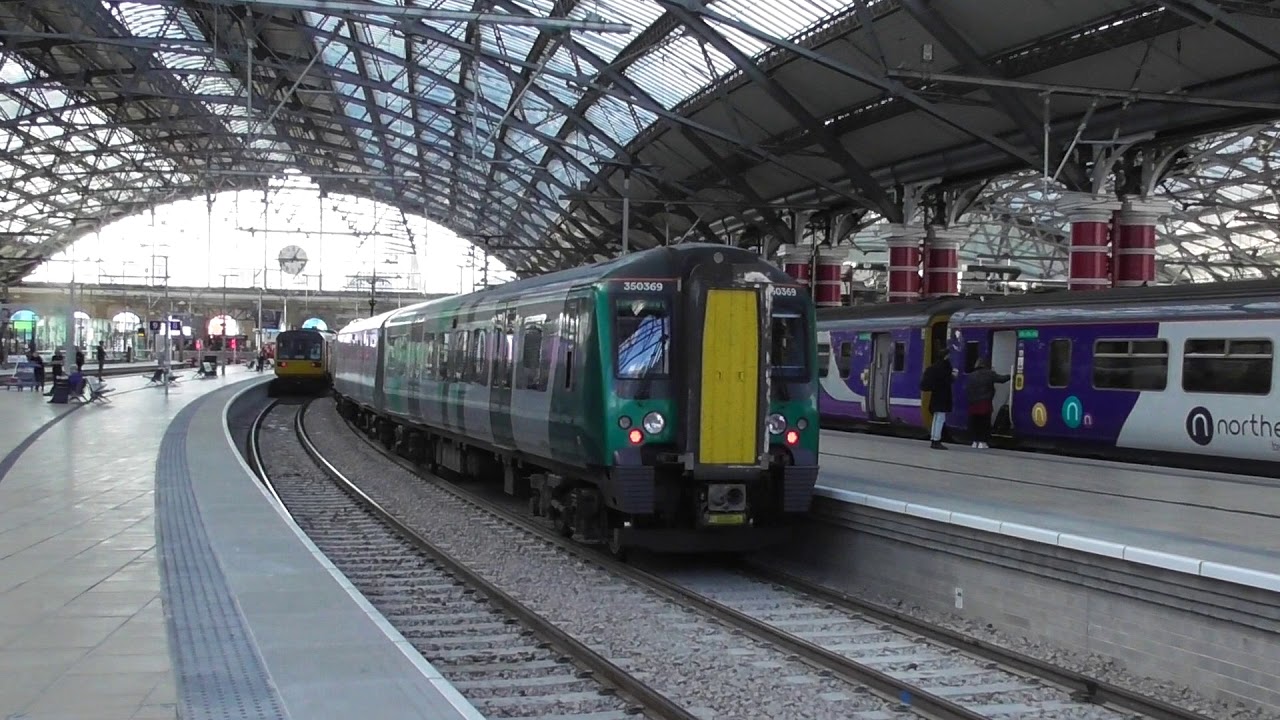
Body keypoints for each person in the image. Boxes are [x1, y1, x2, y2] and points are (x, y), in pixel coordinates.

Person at [964, 358, 1010, 449]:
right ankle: (982, 442)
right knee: (984, 423)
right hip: (985, 402)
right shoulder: (989, 374)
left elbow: (967, 389)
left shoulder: (971, 375)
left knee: (975, 423)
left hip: (973, 403)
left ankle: (975, 441)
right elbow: (1002, 379)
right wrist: (1011, 375)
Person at [919, 355, 955, 450]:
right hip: (943, 397)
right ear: (946, 357)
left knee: (936, 418)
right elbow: (948, 381)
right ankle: (936, 440)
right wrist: (954, 377)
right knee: (940, 418)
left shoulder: (934, 368)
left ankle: (934, 438)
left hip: (935, 396)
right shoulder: (944, 369)